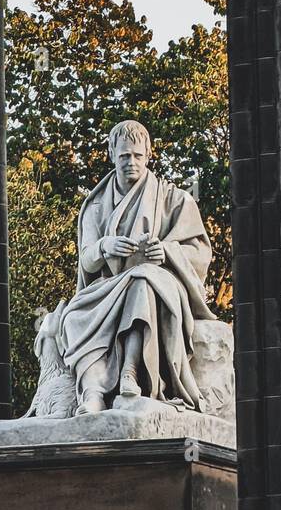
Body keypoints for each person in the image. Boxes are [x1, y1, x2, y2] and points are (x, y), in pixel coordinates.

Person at [57, 119, 216, 415]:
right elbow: (87, 258)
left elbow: (199, 253)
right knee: (74, 316)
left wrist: (165, 251)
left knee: (142, 280)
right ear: (111, 154)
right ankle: (93, 392)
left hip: (155, 282)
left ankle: (130, 371)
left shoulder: (174, 199)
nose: (131, 162)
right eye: (124, 156)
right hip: (106, 287)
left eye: (138, 156)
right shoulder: (95, 206)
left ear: (149, 154)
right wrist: (106, 247)